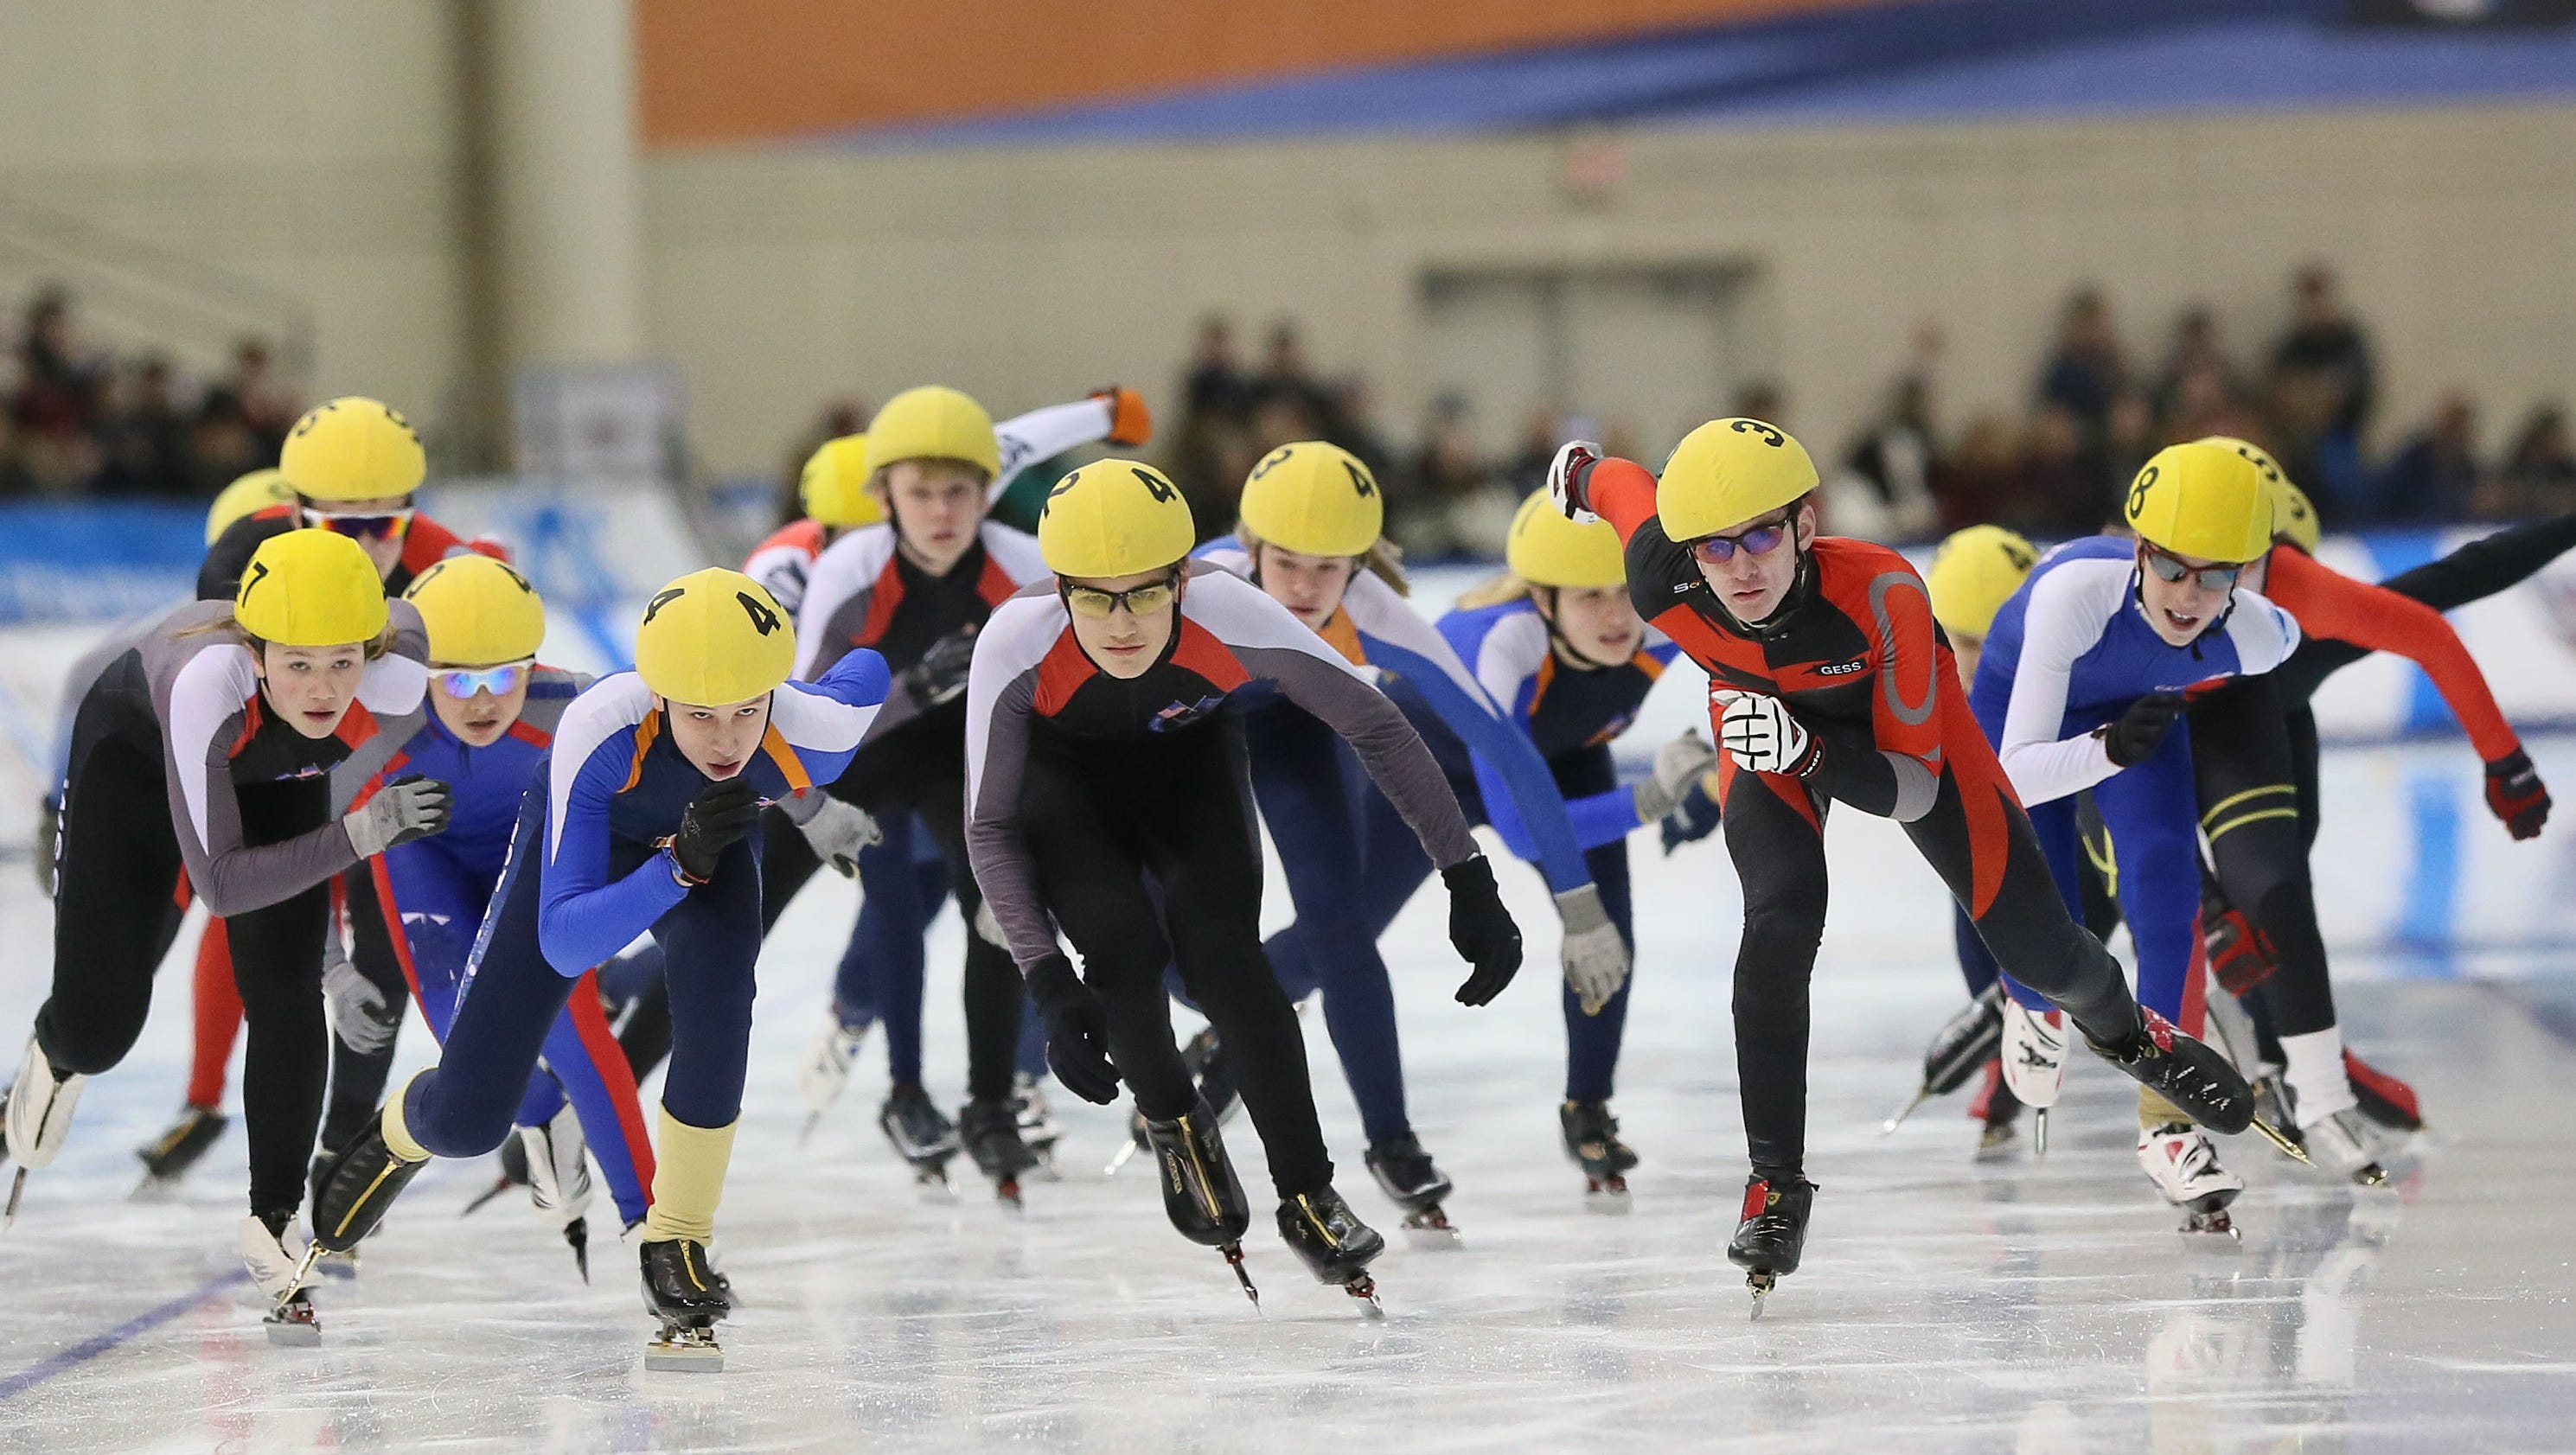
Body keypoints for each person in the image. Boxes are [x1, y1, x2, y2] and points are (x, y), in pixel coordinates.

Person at [1548, 419, 2260, 1310]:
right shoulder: (1662, 578)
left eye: (1764, 534)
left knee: (2039, 954)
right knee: (1778, 922)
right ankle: (1776, 1186)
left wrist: (1808, 749)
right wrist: (1578, 474)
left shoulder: (1883, 588)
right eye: (1718, 547)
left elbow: (1914, 791)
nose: (1742, 567)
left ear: (1806, 525)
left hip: (1905, 744)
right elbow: (1623, 487)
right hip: (1767, 726)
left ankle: (2131, 1035)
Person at [962, 459, 1523, 1311]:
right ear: (1061, 589)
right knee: (1122, 954)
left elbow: (1376, 723)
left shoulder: (1230, 607)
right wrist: (1046, 981)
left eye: (1146, 594)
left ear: (1184, 578)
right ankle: (1177, 1128)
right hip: (1065, 788)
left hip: (1191, 771)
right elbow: (990, 826)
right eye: (1095, 598)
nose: (1120, 624)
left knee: (1234, 969)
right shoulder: (1014, 638)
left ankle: (1308, 1195)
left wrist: (1466, 874)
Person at [312, 568, 892, 1369]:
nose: (726, 740)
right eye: (698, 716)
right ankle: (403, 1130)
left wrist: (709, 849)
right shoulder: (601, 729)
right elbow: (566, 944)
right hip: (592, 864)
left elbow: (868, 669)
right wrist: (674, 866)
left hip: (714, 848)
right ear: (658, 696)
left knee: (722, 1011)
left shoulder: (817, 733)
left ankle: (676, 1243)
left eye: (746, 712)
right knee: (474, 1117)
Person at [0, 529, 445, 1341]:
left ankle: (273, 1219)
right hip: (130, 770)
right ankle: (57, 1050)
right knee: (103, 1030)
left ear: (372, 653)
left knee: (284, 992)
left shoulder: (402, 671)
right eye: (298, 663)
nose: (322, 688)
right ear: (256, 647)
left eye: (344, 663)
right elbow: (221, 884)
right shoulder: (212, 679)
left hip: (274, 774)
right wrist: (357, 835)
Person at [1188, 443, 1630, 1233]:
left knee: (1339, 929)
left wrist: (1575, 900)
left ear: (1358, 564)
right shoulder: (1194, 587)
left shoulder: (1374, 611)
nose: (1303, 588)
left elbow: (1507, 750)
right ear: (1249, 546)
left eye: (1329, 569)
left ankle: (1391, 1141)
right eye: (1285, 563)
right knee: (1173, 941)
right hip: (1181, 742)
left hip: (1291, 727)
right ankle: (1221, 1032)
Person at [747, 389, 1147, 1163]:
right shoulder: (796, 572)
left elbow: (1015, 441)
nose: (932, 516)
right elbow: (788, 724)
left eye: (953, 493)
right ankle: (892, 1067)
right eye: (906, 501)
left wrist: (1102, 414)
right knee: (893, 916)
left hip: (953, 762)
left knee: (1003, 905)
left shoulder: (978, 514)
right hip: (860, 751)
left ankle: (1003, 1088)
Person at [144, 404, 506, 1188]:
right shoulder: (246, 553)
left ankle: (342, 1143)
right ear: (297, 515)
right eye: (348, 527)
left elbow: (487, 676)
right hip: (278, 743)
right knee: (235, 894)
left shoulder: (444, 555)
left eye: (389, 524)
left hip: (371, 741)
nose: (374, 545)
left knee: (384, 930)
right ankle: (202, 1096)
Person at [2183, 438, 2550, 1172]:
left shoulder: (2296, 587)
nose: (2214, 593)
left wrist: (2504, 758)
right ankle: (2313, 1069)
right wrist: (2502, 759)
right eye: (2194, 564)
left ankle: (2311, 1069)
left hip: (2264, 721)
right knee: (2225, 905)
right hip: (2188, 725)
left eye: (2243, 568)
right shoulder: (2166, 586)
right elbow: (2453, 588)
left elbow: (2446, 596)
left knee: (2271, 903)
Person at [1970, 442, 2300, 1230]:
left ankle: (2168, 1121)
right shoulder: (2072, 595)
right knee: (2037, 898)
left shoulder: (2262, 636)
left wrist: (2127, 741)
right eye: (2173, 568)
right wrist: (2108, 748)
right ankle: (2026, 1004)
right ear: (2138, 551)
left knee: (2164, 887)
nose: (2190, 594)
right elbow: (2013, 774)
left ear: (2243, 574)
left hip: (2136, 723)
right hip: (2023, 718)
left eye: (2216, 573)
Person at [328, 556, 659, 1276]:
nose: (481, 701)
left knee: (575, 1028)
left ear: (532, 666)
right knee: (473, 1059)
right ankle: (542, 1113)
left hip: (533, 858)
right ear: (419, 675)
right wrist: (332, 968)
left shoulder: (572, 702)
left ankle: (651, 1227)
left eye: (502, 677)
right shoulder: (365, 730)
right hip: (424, 866)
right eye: (456, 681)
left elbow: (719, 728)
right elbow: (303, 861)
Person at [1441, 491, 1709, 1202]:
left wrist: (1717, 785)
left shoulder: (1667, 622)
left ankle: (1586, 1104)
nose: (1617, 616)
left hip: (1566, 756)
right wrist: (1648, 798)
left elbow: (1757, 689)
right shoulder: (1497, 643)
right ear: (1540, 597)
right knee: (1339, 935)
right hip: (1425, 772)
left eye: (1626, 592)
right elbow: (1527, 825)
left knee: (1611, 935)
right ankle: (1231, 1043)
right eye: (1589, 596)